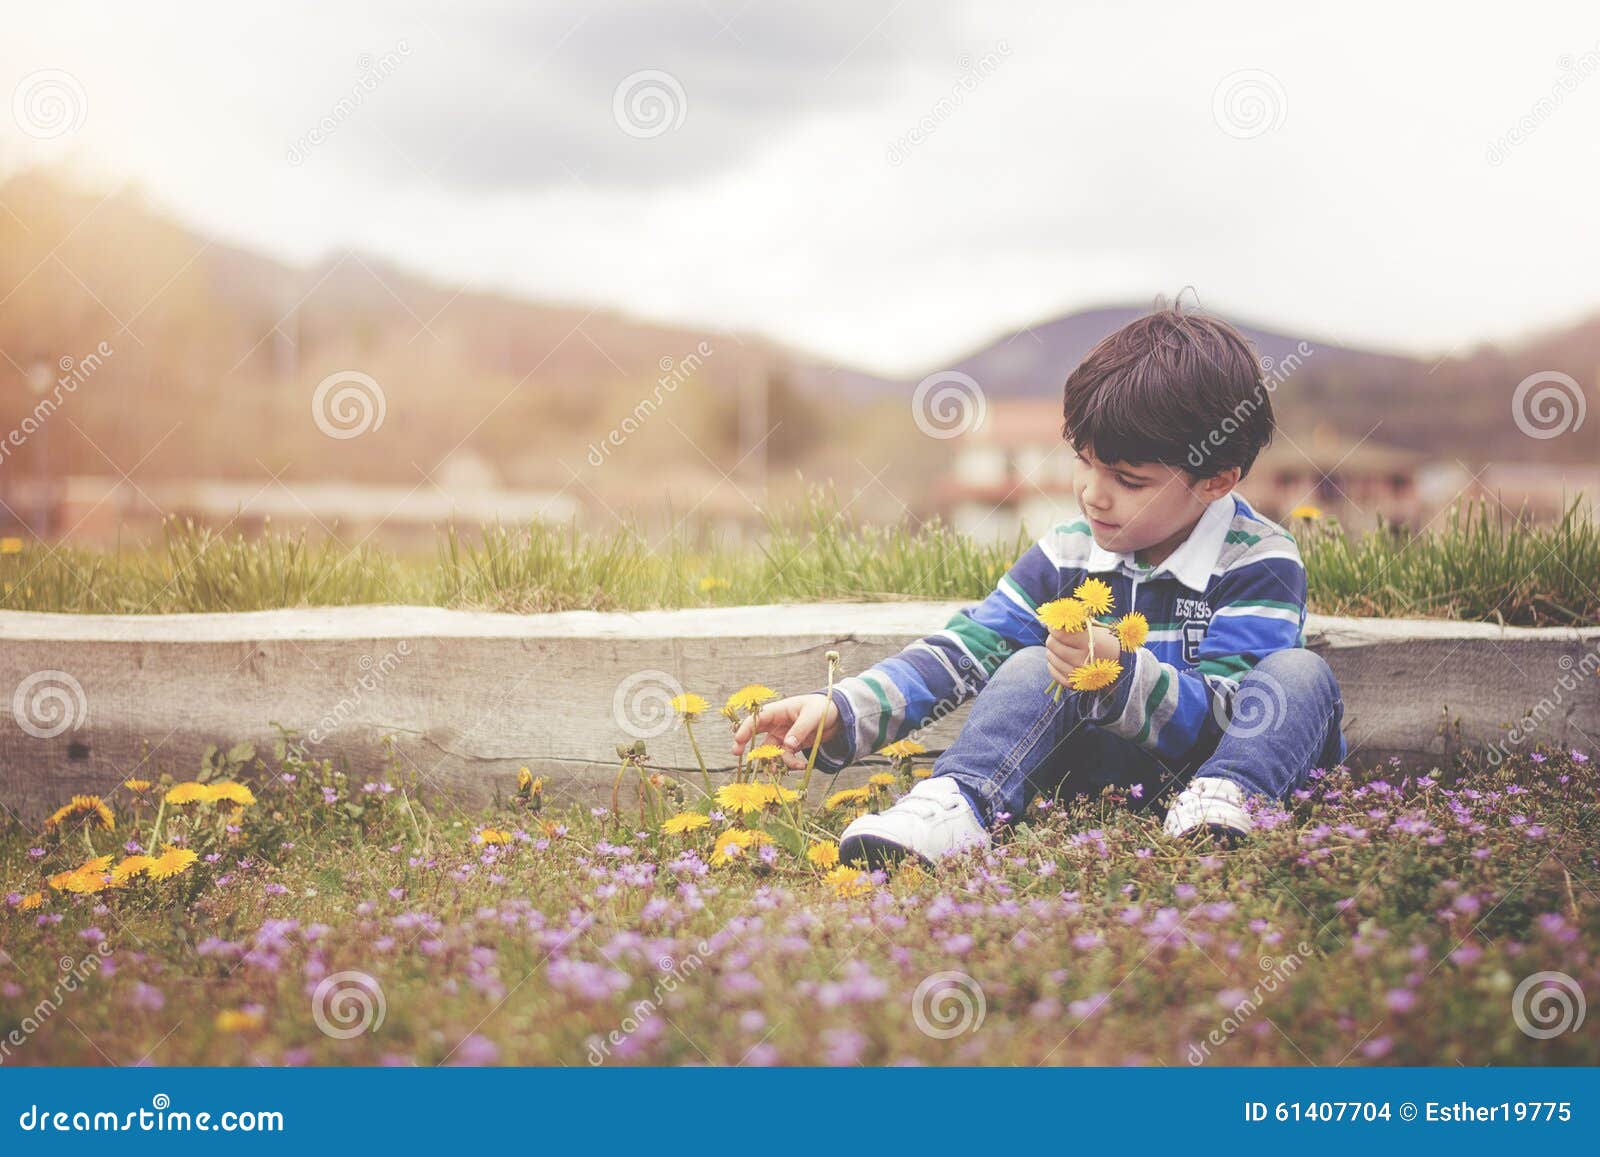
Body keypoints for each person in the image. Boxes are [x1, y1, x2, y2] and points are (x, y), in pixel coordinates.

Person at [731, 306, 1347, 867]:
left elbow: (1230, 717)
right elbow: (969, 648)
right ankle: (959, 803)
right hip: (1102, 777)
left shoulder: (1259, 560)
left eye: (1128, 479)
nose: (1091, 492)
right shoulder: (1070, 551)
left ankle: (1222, 819)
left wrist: (1120, 673)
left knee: (1300, 674)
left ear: (1215, 480)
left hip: (1225, 773)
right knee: (1029, 663)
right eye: (1083, 461)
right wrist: (844, 708)